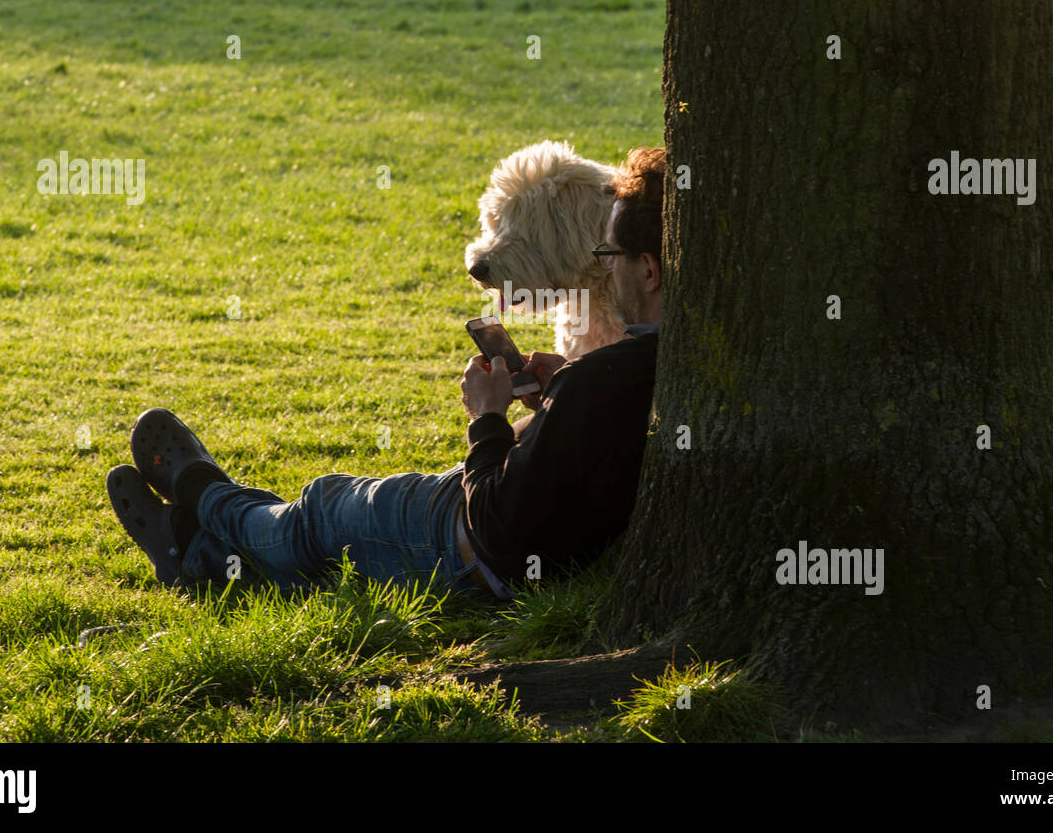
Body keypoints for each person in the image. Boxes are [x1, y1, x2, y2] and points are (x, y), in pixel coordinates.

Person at [107, 147, 666, 598]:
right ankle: (199, 557)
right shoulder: (655, 370)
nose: (603, 261)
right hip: (490, 511)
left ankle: (202, 495)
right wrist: (554, 396)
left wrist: (489, 418)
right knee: (324, 553)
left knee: (322, 511)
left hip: (466, 541)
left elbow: (503, 526)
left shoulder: (598, 380)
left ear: (646, 270)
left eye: (609, 253)